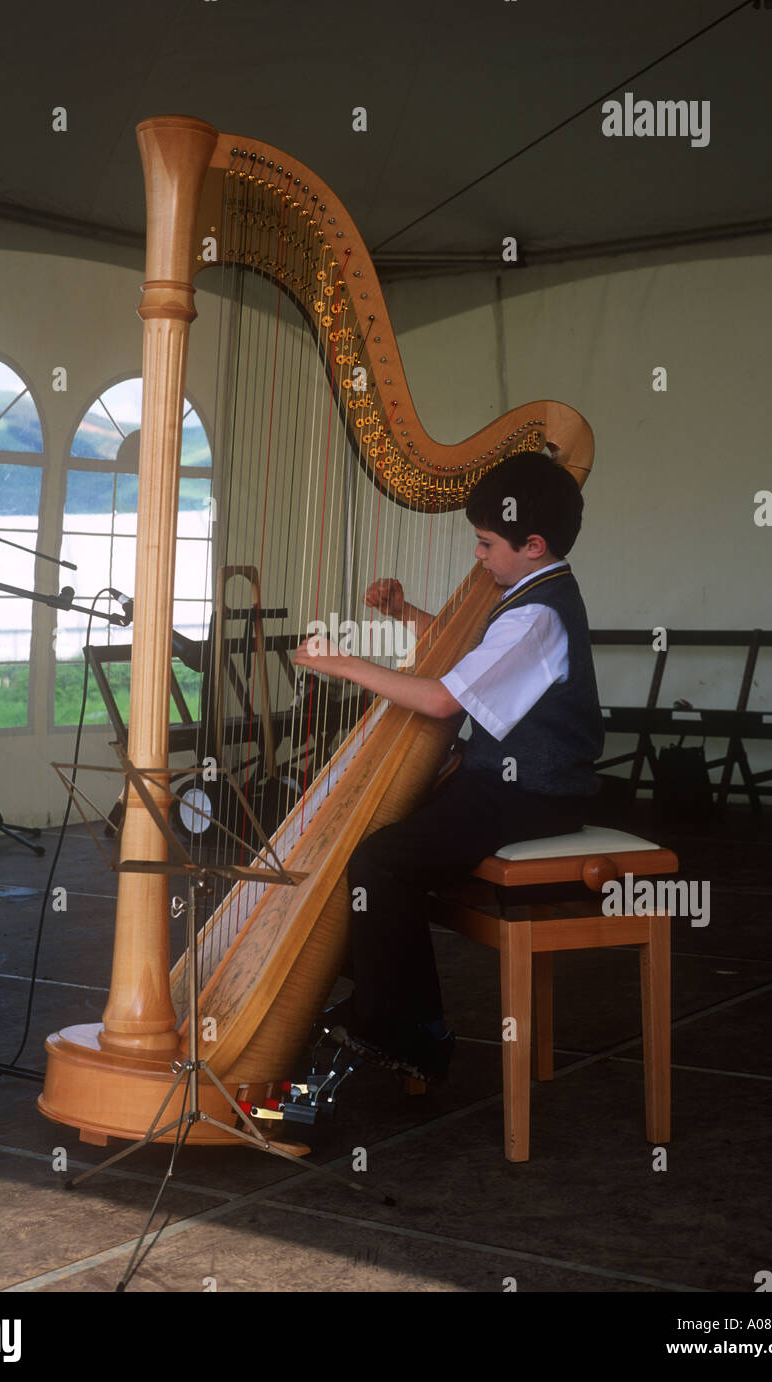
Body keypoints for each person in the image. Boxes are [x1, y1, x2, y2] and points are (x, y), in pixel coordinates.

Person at [292, 451, 604, 1082]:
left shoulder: (538, 614)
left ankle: (410, 1031)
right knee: (360, 840)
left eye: (487, 544)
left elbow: (441, 697)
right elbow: (477, 656)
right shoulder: (531, 592)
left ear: (533, 544)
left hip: (536, 790)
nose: (479, 556)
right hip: (504, 778)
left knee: (381, 858)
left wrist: (339, 662)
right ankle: (393, 1004)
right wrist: (406, 615)